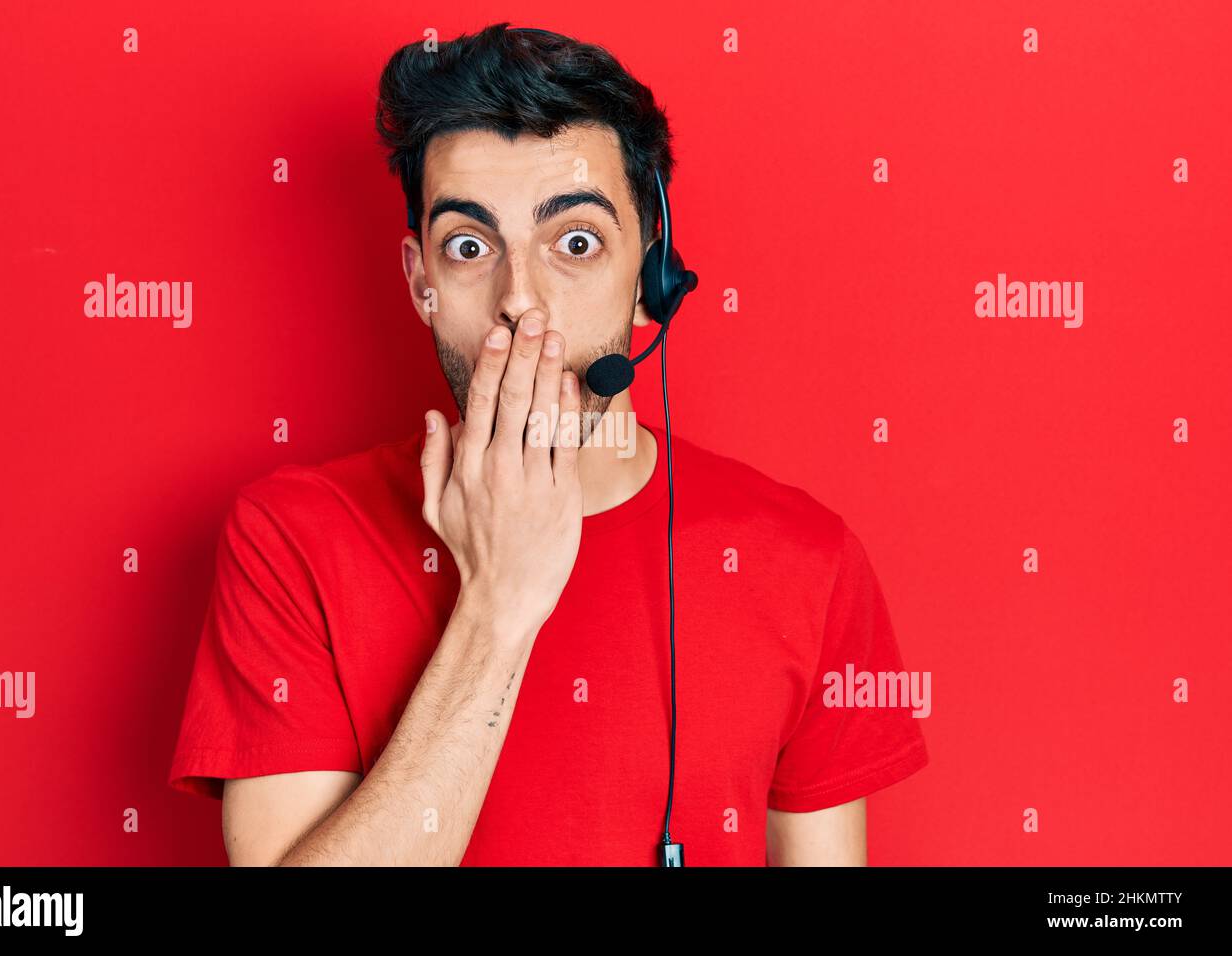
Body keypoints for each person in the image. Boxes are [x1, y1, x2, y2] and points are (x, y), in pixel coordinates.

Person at [168, 22, 929, 866]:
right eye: (468, 247)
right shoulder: (292, 537)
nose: (520, 301)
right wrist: (499, 606)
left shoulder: (806, 561)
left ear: (653, 280)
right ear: (422, 283)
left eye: (575, 243)